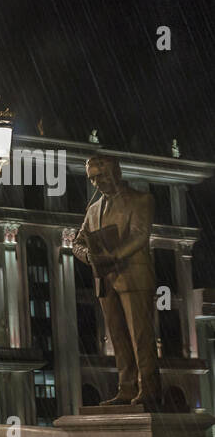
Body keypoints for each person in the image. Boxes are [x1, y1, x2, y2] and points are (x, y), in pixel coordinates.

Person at [72, 155, 160, 409]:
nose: (97, 183)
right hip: (105, 280)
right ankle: (127, 387)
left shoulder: (141, 199)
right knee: (118, 338)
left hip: (133, 275)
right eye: (92, 179)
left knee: (141, 336)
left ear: (116, 173)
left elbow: (140, 235)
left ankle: (149, 390)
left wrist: (113, 256)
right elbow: (77, 243)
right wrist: (89, 256)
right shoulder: (93, 209)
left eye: (101, 176)